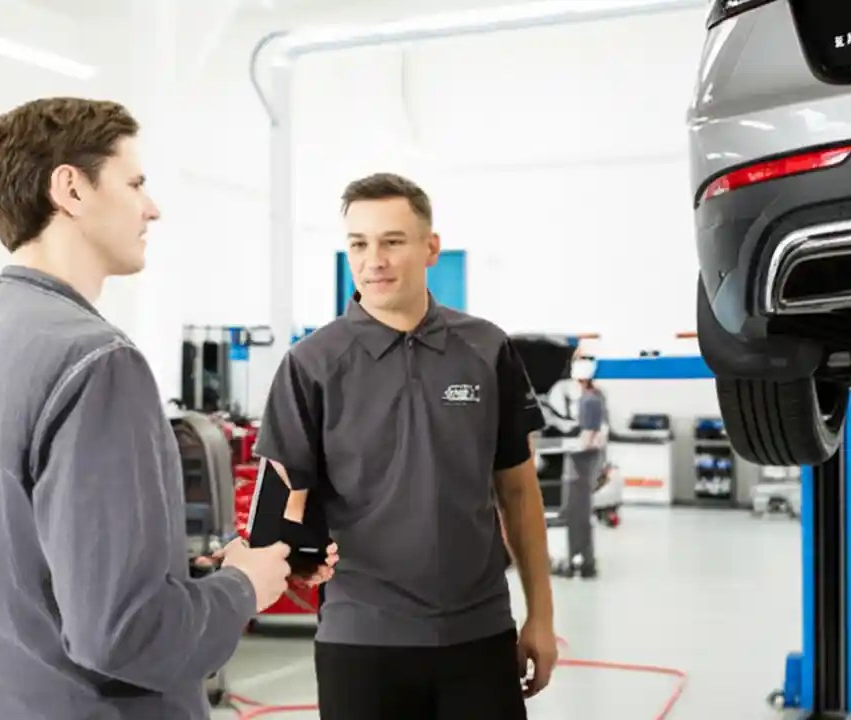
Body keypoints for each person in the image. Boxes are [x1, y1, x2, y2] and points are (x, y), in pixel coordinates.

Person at [0, 97, 315, 720]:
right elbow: (123, 634)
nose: (152, 207)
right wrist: (243, 586)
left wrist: (193, 581)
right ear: (70, 188)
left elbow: (16, 586)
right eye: (136, 182)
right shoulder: (97, 363)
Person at [255, 172, 559, 720]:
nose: (374, 260)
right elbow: (281, 502)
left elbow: (518, 491)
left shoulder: (487, 349)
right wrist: (289, 554)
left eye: (392, 241)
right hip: (361, 637)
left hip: (480, 632)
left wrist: (541, 616)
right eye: (358, 244)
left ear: (430, 248)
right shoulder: (312, 364)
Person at [553, 357, 607, 579]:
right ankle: (584, 560)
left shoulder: (589, 400)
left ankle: (580, 561)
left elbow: (590, 432)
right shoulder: (594, 397)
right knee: (579, 515)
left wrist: (573, 446)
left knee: (576, 515)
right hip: (585, 463)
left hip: (580, 464)